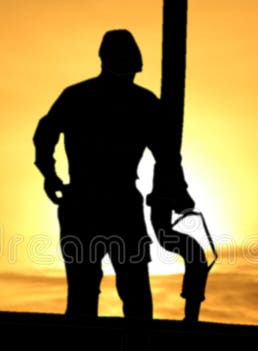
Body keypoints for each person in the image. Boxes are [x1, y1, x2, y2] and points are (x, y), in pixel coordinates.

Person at [33, 29, 195, 319]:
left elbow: (45, 134)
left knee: (93, 294)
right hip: (113, 207)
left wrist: (50, 174)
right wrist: (179, 192)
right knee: (131, 296)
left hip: (88, 205)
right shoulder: (142, 103)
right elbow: (168, 155)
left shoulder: (79, 96)